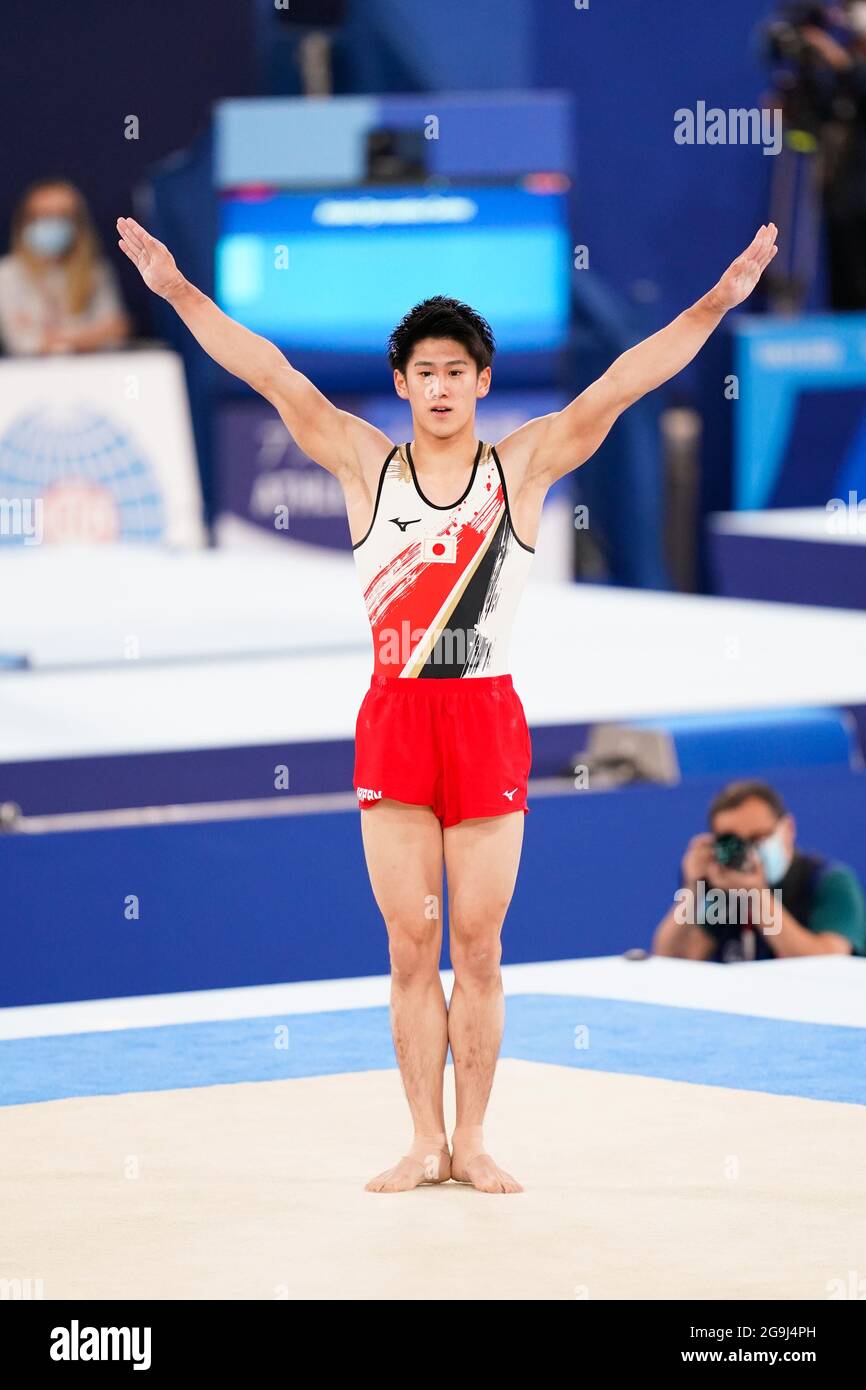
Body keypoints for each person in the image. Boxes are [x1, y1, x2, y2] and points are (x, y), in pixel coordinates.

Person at [116, 212, 778, 1193]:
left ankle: (471, 1139)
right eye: (421, 371)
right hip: (395, 718)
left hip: (481, 720)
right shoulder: (360, 463)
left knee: (477, 940)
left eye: (454, 371)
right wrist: (175, 291)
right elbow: (267, 372)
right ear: (401, 384)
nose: (437, 387)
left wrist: (715, 304)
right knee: (409, 939)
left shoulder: (519, 467)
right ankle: (421, 1137)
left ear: (479, 379)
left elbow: (622, 382)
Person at [652, 778, 866, 963]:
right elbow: (673, 959)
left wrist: (757, 896)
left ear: (788, 829)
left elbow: (829, 964)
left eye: (758, 838)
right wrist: (692, 891)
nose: (749, 852)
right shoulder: (725, 894)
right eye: (736, 842)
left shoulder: (828, 881)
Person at [0, 180, 130, 357]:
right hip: (29, 377)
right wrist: (89, 336)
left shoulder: (96, 271)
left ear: (77, 223)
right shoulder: (7, 273)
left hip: (90, 373)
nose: (52, 223)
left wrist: (56, 340)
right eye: (44, 215)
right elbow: (21, 341)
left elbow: (116, 331)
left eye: (62, 216)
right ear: (26, 222)